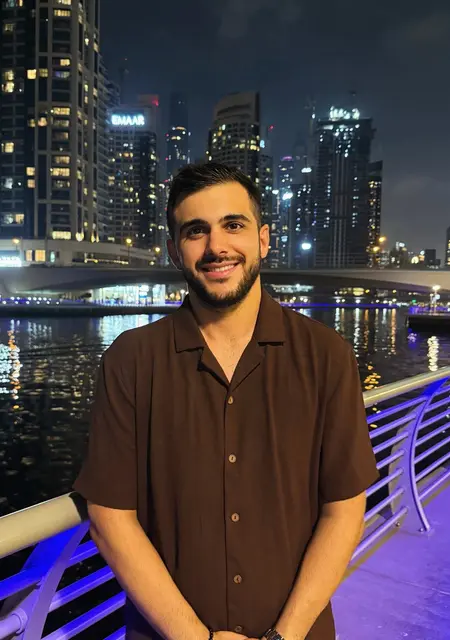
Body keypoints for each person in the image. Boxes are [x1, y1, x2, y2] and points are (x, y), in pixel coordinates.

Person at [74, 163, 379, 640]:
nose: (216, 247)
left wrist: (283, 636)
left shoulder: (326, 356)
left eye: (233, 225)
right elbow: (110, 516)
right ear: (175, 251)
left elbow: (343, 510)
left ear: (263, 239)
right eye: (196, 231)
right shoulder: (131, 360)